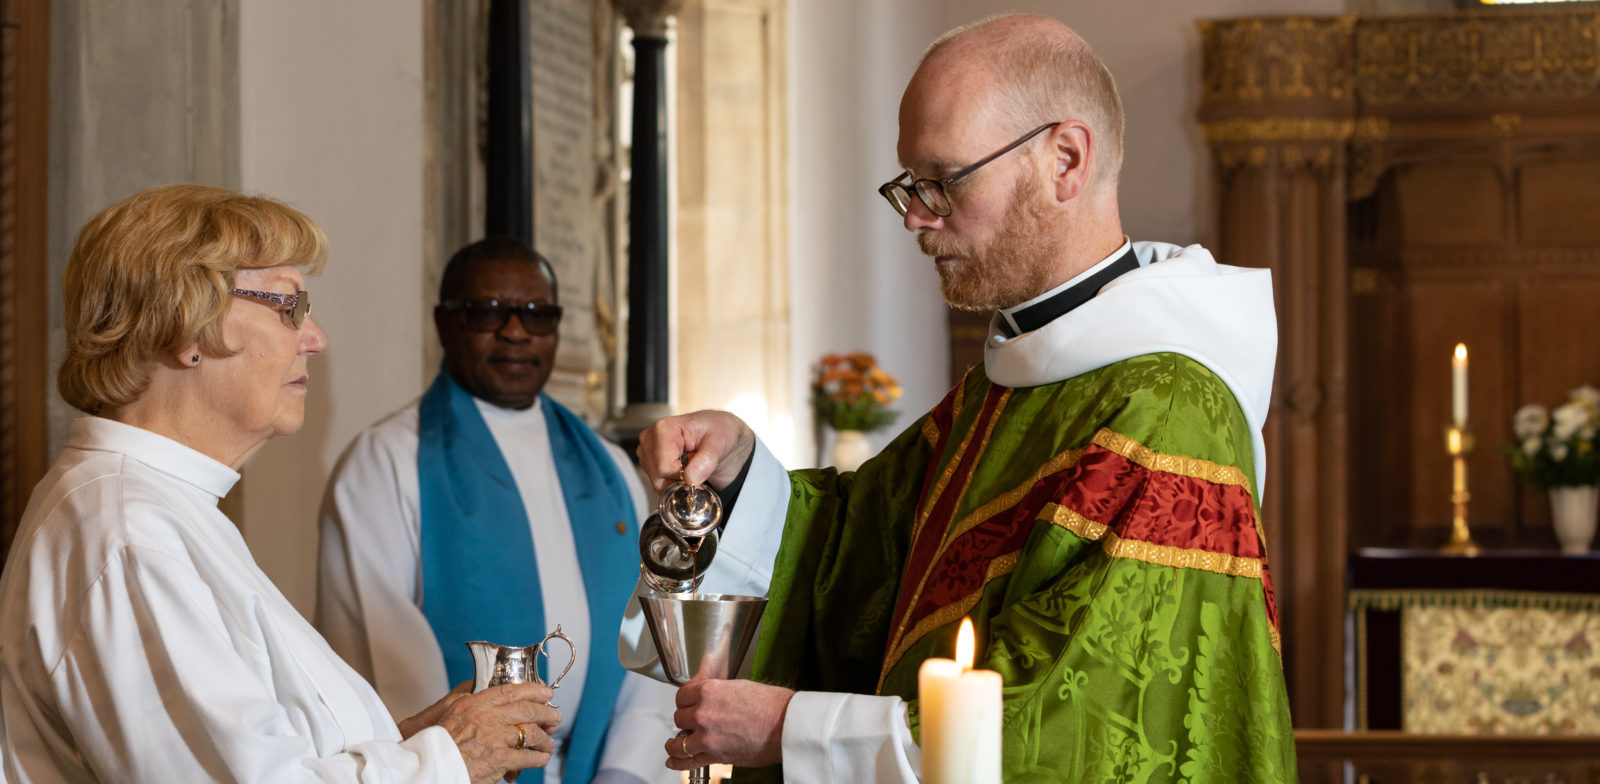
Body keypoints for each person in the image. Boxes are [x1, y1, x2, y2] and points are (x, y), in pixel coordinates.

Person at [624, 13, 1297, 783]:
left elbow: (1071, 728)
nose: (916, 215)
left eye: (944, 180)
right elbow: (854, 557)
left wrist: (793, 727)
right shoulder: (1006, 387)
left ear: (1065, 160)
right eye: (910, 184)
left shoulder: (1169, 415)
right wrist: (739, 470)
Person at [0, 184, 560, 783]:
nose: (315, 337)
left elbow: (264, 756)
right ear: (183, 327)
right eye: (289, 306)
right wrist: (451, 757)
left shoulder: (165, 511)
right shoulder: (129, 534)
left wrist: (416, 741)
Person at [316, 237, 678, 784]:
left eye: (538, 314)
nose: (516, 331)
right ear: (444, 323)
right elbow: (376, 658)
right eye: (488, 311)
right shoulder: (388, 462)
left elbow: (647, 644)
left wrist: (625, 773)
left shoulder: (607, 465)